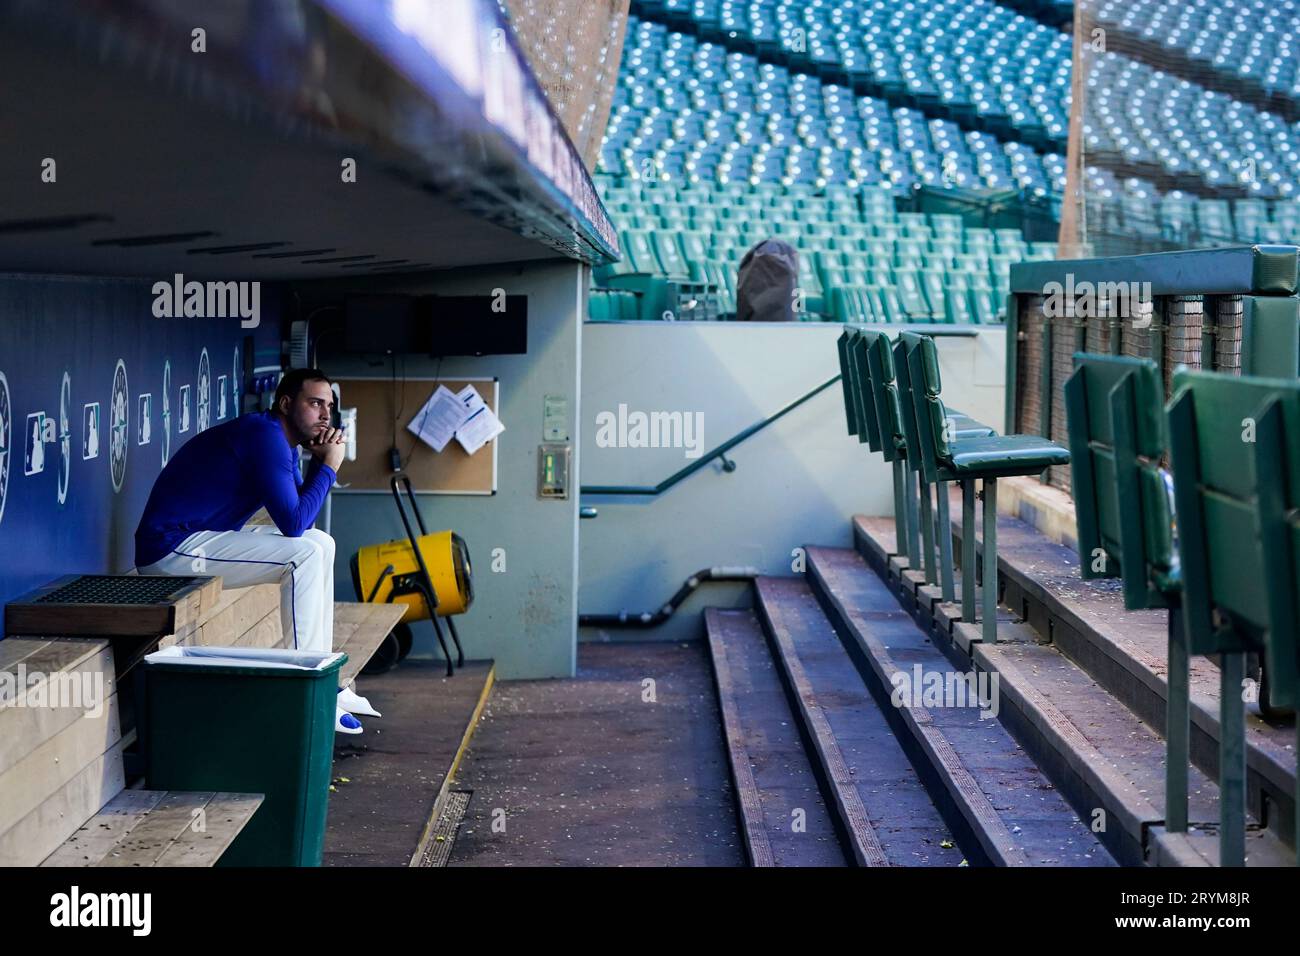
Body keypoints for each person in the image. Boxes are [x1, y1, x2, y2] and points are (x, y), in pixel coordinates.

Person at [134, 368, 377, 734]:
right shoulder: (263, 435)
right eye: (315, 403)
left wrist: (317, 464)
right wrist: (328, 464)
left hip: (199, 539)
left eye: (329, 405)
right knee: (306, 554)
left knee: (320, 543)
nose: (326, 415)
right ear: (285, 403)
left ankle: (327, 676)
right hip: (170, 550)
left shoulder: (281, 442)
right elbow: (294, 525)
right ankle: (309, 681)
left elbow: (302, 525)